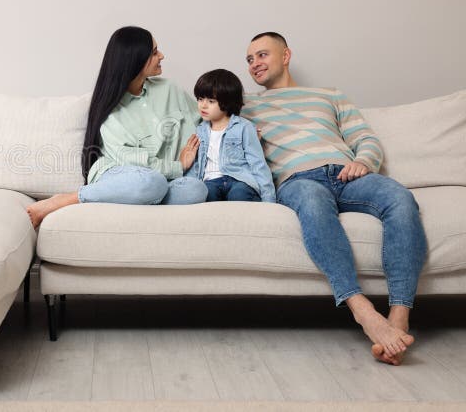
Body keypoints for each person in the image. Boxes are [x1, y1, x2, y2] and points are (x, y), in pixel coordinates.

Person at [242, 32, 427, 366]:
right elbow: (212, 123)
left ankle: (399, 318)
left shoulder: (329, 95)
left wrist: (363, 162)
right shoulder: (246, 106)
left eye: (262, 54)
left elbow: (365, 138)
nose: (255, 63)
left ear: (286, 55)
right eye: (250, 59)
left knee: (400, 197)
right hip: (297, 179)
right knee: (313, 204)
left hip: (347, 173)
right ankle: (363, 311)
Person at [26, 26, 207, 228]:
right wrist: (177, 166)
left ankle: (138, 198)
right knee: (152, 182)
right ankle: (70, 198)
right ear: (135, 60)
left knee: (196, 190)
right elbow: (134, 162)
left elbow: (206, 120)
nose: (162, 56)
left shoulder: (170, 89)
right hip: (123, 174)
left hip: (163, 180)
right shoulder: (110, 111)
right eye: (154, 52)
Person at [185, 69, 275, 203]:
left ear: (227, 102)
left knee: (239, 193)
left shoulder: (244, 127)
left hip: (239, 179)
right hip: (210, 181)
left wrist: (269, 199)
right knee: (206, 194)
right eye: (200, 99)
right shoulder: (200, 131)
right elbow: (196, 165)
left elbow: (258, 163)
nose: (203, 105)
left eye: (211, 101)